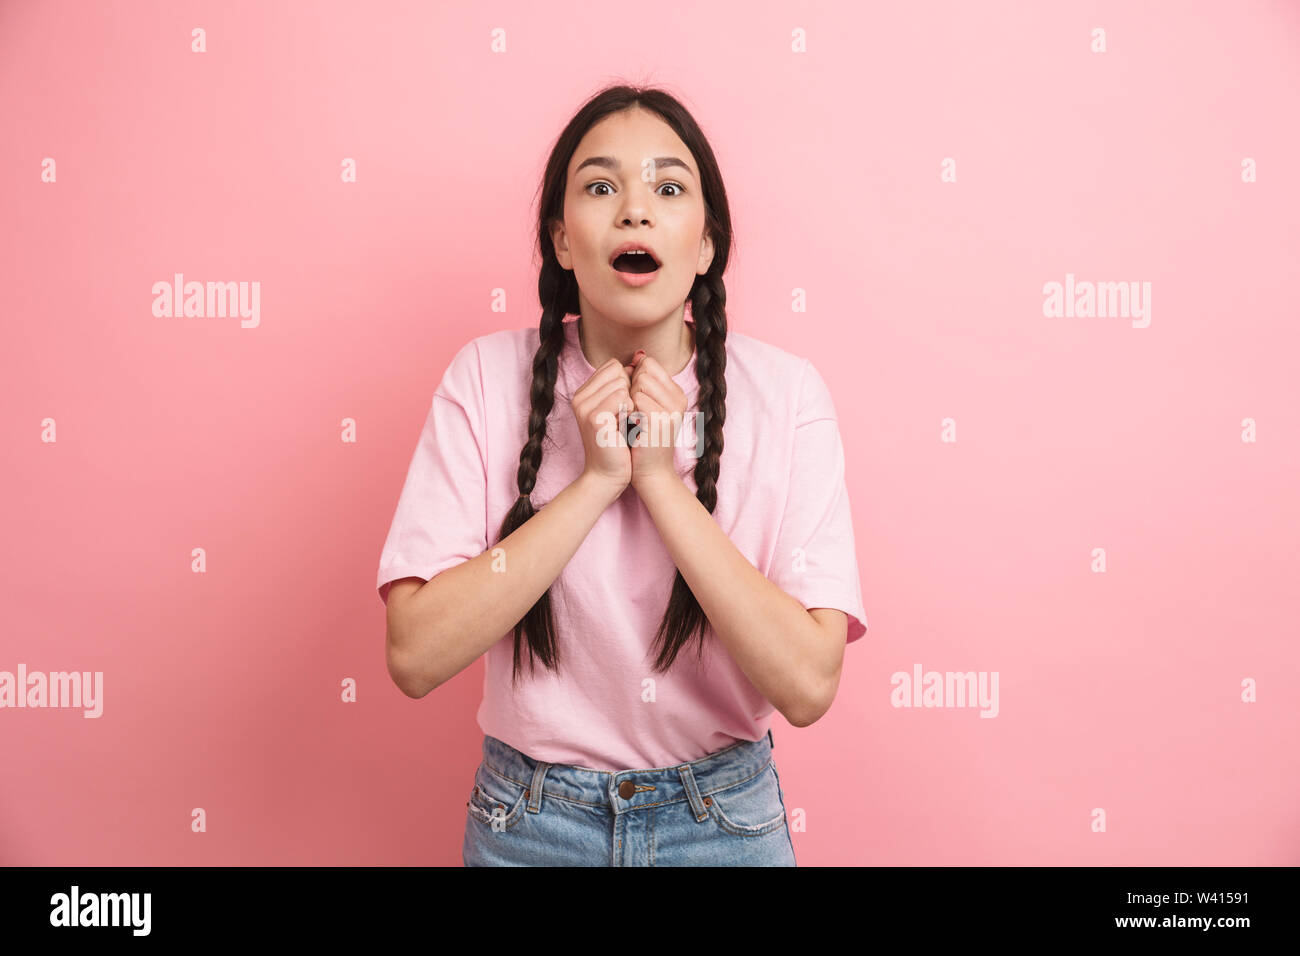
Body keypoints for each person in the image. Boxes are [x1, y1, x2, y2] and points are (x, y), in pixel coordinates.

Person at [377, 83, 867, 866]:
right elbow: (415, 655)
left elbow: (808, 686)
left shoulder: (789, 395)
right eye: (600, 187)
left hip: (725, 828)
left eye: (669, 188)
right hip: (529, 827)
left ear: (706, 244)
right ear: (562, 241)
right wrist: (597, 481)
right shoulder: (482, 377)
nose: (634, 210)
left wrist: (663, 484)